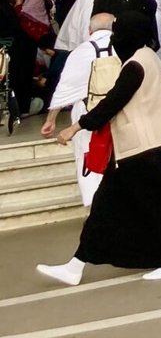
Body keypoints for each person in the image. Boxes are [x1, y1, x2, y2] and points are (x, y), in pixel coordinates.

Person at [37, 12, 161, 285]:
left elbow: (113, 102)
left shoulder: (135, 66)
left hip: (142, 150)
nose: (115, 38)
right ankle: (76, 265)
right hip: (146, 147)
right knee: (110, 206)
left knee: (152, 208)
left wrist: (75, 127)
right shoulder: (148, 56)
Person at [39, 11, 115, 206]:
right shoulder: (123, 46)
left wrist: (51, 120)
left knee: (88, 158)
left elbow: (65, 87)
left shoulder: (82, 51)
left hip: (87, 113)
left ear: (90, 30)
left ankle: (94, 203)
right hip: (118, 110)